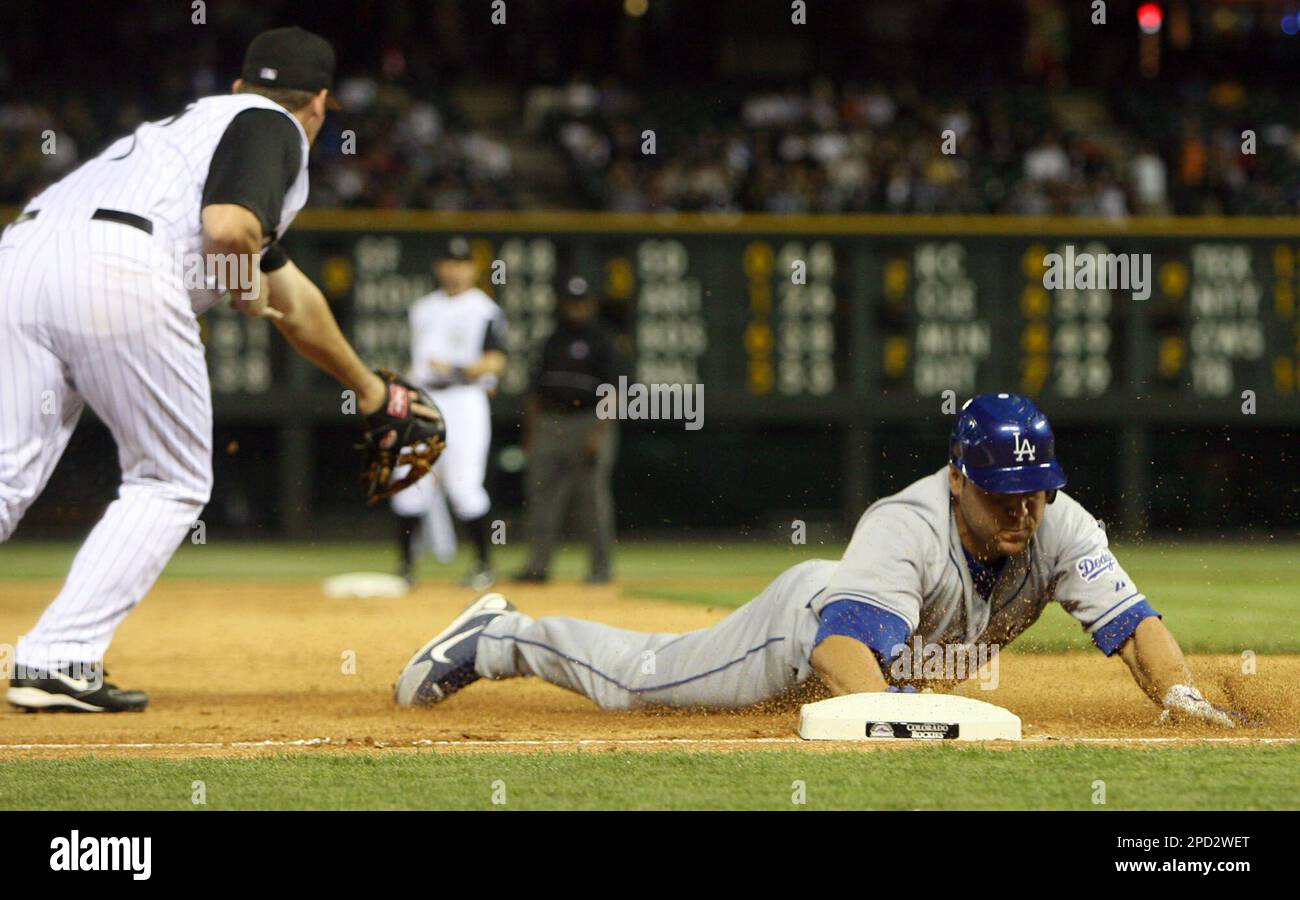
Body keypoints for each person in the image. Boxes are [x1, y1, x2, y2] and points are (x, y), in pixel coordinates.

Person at [1, 27, 437, 712]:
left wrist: (372, 390)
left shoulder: (191, 134)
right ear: (320, 103)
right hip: (120, 266)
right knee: (170, 478)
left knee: (5, 474)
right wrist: (239, 284)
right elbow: (233, 230)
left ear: (238, 84)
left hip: (24, 255)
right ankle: (59, 657)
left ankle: (58, 657)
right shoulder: (273, 126)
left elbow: (293, 299)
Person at [395, 393, 1246, 729]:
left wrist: (1178, 692)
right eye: (1002, 491)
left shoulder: (1058, 522)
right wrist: (903, 716)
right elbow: (841, 650)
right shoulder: (906, 525)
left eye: (1035, 490)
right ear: (959, 478)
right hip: (803, 627)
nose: (1023, 507)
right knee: (640, 682)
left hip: (876, 658)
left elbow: (1136, 627)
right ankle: (500, 636)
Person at [391, 236, 506, 591]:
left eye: (462, 263)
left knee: (464, 485)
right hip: (424, 399)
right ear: (439, 266)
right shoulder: (422, 308)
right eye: (448, 262)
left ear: (473, 268)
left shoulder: (484, 309)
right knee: (409, 482)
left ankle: (484, 566)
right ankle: (406, 568)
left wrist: (454, 368)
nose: (454, 269)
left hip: (464, 400)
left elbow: (495, 362)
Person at [513, 276, 620, 584]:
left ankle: (600, 570)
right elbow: (534, 393)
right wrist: (531, 435)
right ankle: (538, 566)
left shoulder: (603, 340)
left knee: (593, 500)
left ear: (591, 303)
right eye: (571, 302)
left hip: (588, 420)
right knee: (541, 496)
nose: (576, 308)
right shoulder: (551, 340)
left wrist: (598, 433)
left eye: (582, 301)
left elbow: (614, 391)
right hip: (550, 423)